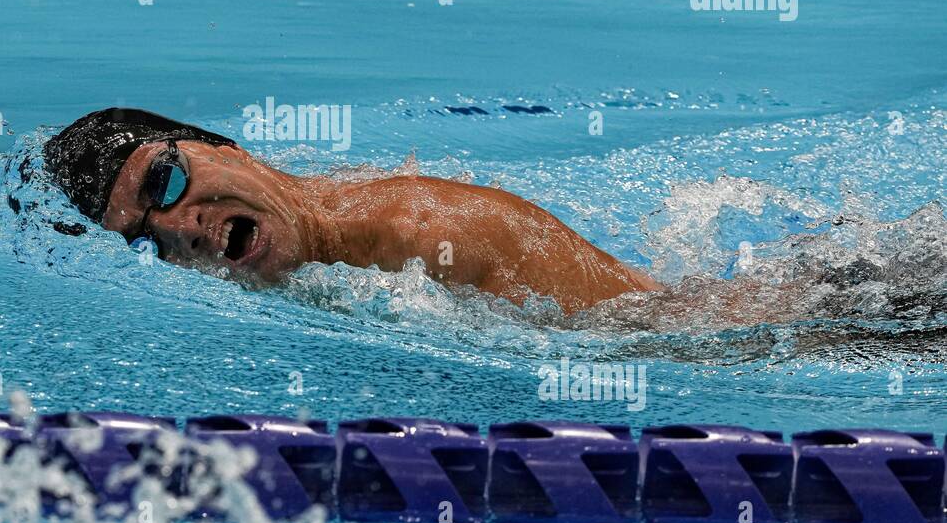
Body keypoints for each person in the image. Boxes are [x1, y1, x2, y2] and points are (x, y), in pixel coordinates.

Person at [44, 107, 661, 314]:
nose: (180, 229)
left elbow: (659, 337)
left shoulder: (430, 237)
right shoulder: (316, 241)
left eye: (164, 180)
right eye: (142, 243)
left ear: (222, 147)